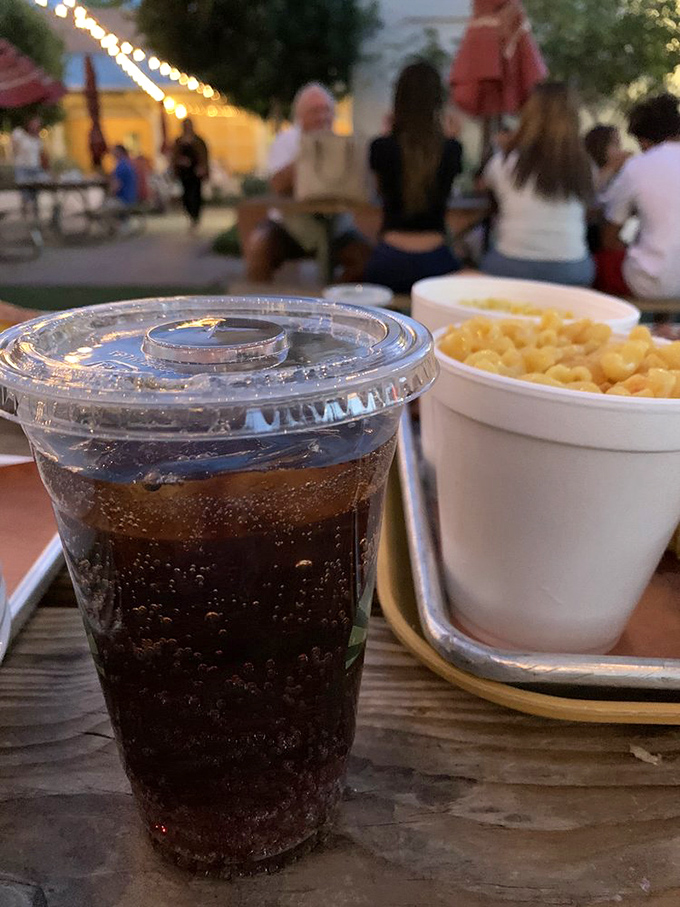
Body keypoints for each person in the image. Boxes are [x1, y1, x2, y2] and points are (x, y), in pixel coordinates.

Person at [244, 83, 370, 283]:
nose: (322, 117)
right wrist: (308, 154)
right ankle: (262, 300)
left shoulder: (344, 144)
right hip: (288, 227)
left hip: (337, 228)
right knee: (259, 246)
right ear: (300, 116)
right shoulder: (286, 141)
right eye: (314, 111)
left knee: (366, 259)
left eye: (326, 110)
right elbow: (277, 186)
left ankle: (333, 298)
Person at [480, 82, 595, 286]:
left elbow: (482, 186)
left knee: (478, 260)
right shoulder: (585, 166)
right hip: (572, 268)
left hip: (512, 265)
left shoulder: (505, 161)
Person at [362, 62, 463, 294]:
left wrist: (388, 135)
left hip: (388, 261)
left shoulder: (380, 147)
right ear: (438, 101)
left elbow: (379, 190)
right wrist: (453, 138)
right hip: (436, 261)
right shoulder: (452, 149)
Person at [597, 94, 680, 300]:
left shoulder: (637, 166)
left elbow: (609, 239)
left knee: (599, 262)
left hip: (649, 284)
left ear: (644, 142)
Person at [171, 119, 209, 233]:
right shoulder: (179, 141)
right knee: (186, 196)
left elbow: (204, 155)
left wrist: (203, 168)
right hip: (184, 173)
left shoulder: (198, 141)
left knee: (196, 195)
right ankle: (190, 215)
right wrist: (179, 162)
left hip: (196, 172)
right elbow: (174, 156)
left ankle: (195, 217)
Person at [11, 116, 47, 218]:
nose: (36, 126)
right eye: (34, 123)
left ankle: (36, 215)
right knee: (25, 194)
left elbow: (41, 154)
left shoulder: (37, 139)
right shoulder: (19, 134)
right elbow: (14, 148)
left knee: (36, 193)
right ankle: (26, 215)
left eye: (38, 124)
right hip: (22, 168)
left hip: (35, 168)